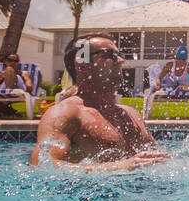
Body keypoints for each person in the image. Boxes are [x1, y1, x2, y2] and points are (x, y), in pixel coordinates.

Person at [30, 33, 167, 170]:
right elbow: (42, 165)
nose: (120, 60)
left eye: (120, 55)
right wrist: (119, 166)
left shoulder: (132, 115)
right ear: (82, 65)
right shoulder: (65, 114)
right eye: (109, 55)